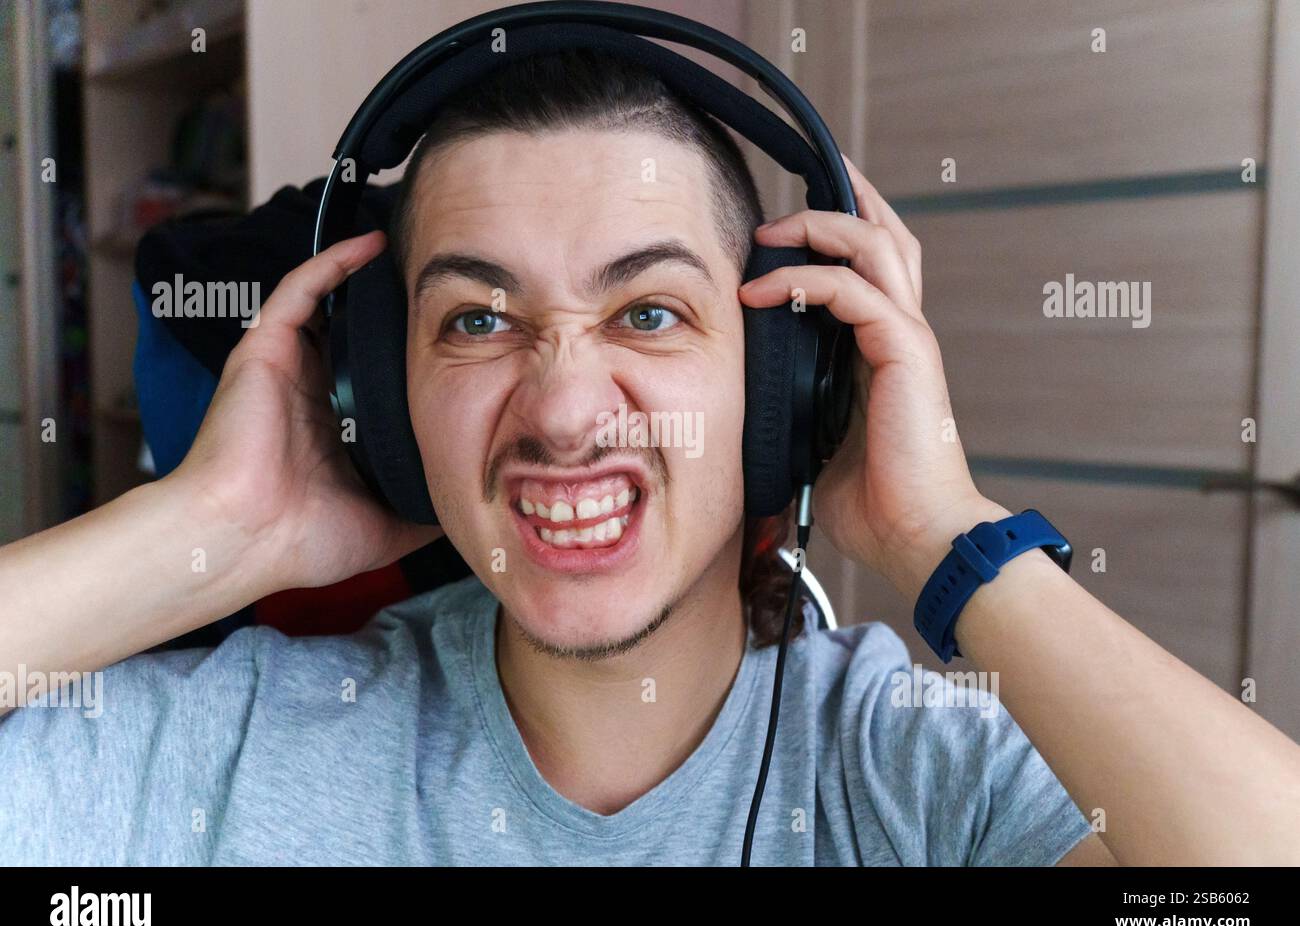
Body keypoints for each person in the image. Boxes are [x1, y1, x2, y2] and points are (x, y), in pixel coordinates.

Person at [1, 50, 1296, 866]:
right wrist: (211, 529)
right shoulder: (237, 748)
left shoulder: (908, 765)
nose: (564, 409)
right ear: (383, 407)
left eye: (650, 311)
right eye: (479, 319)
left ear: (789, 382)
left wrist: (941, 530)